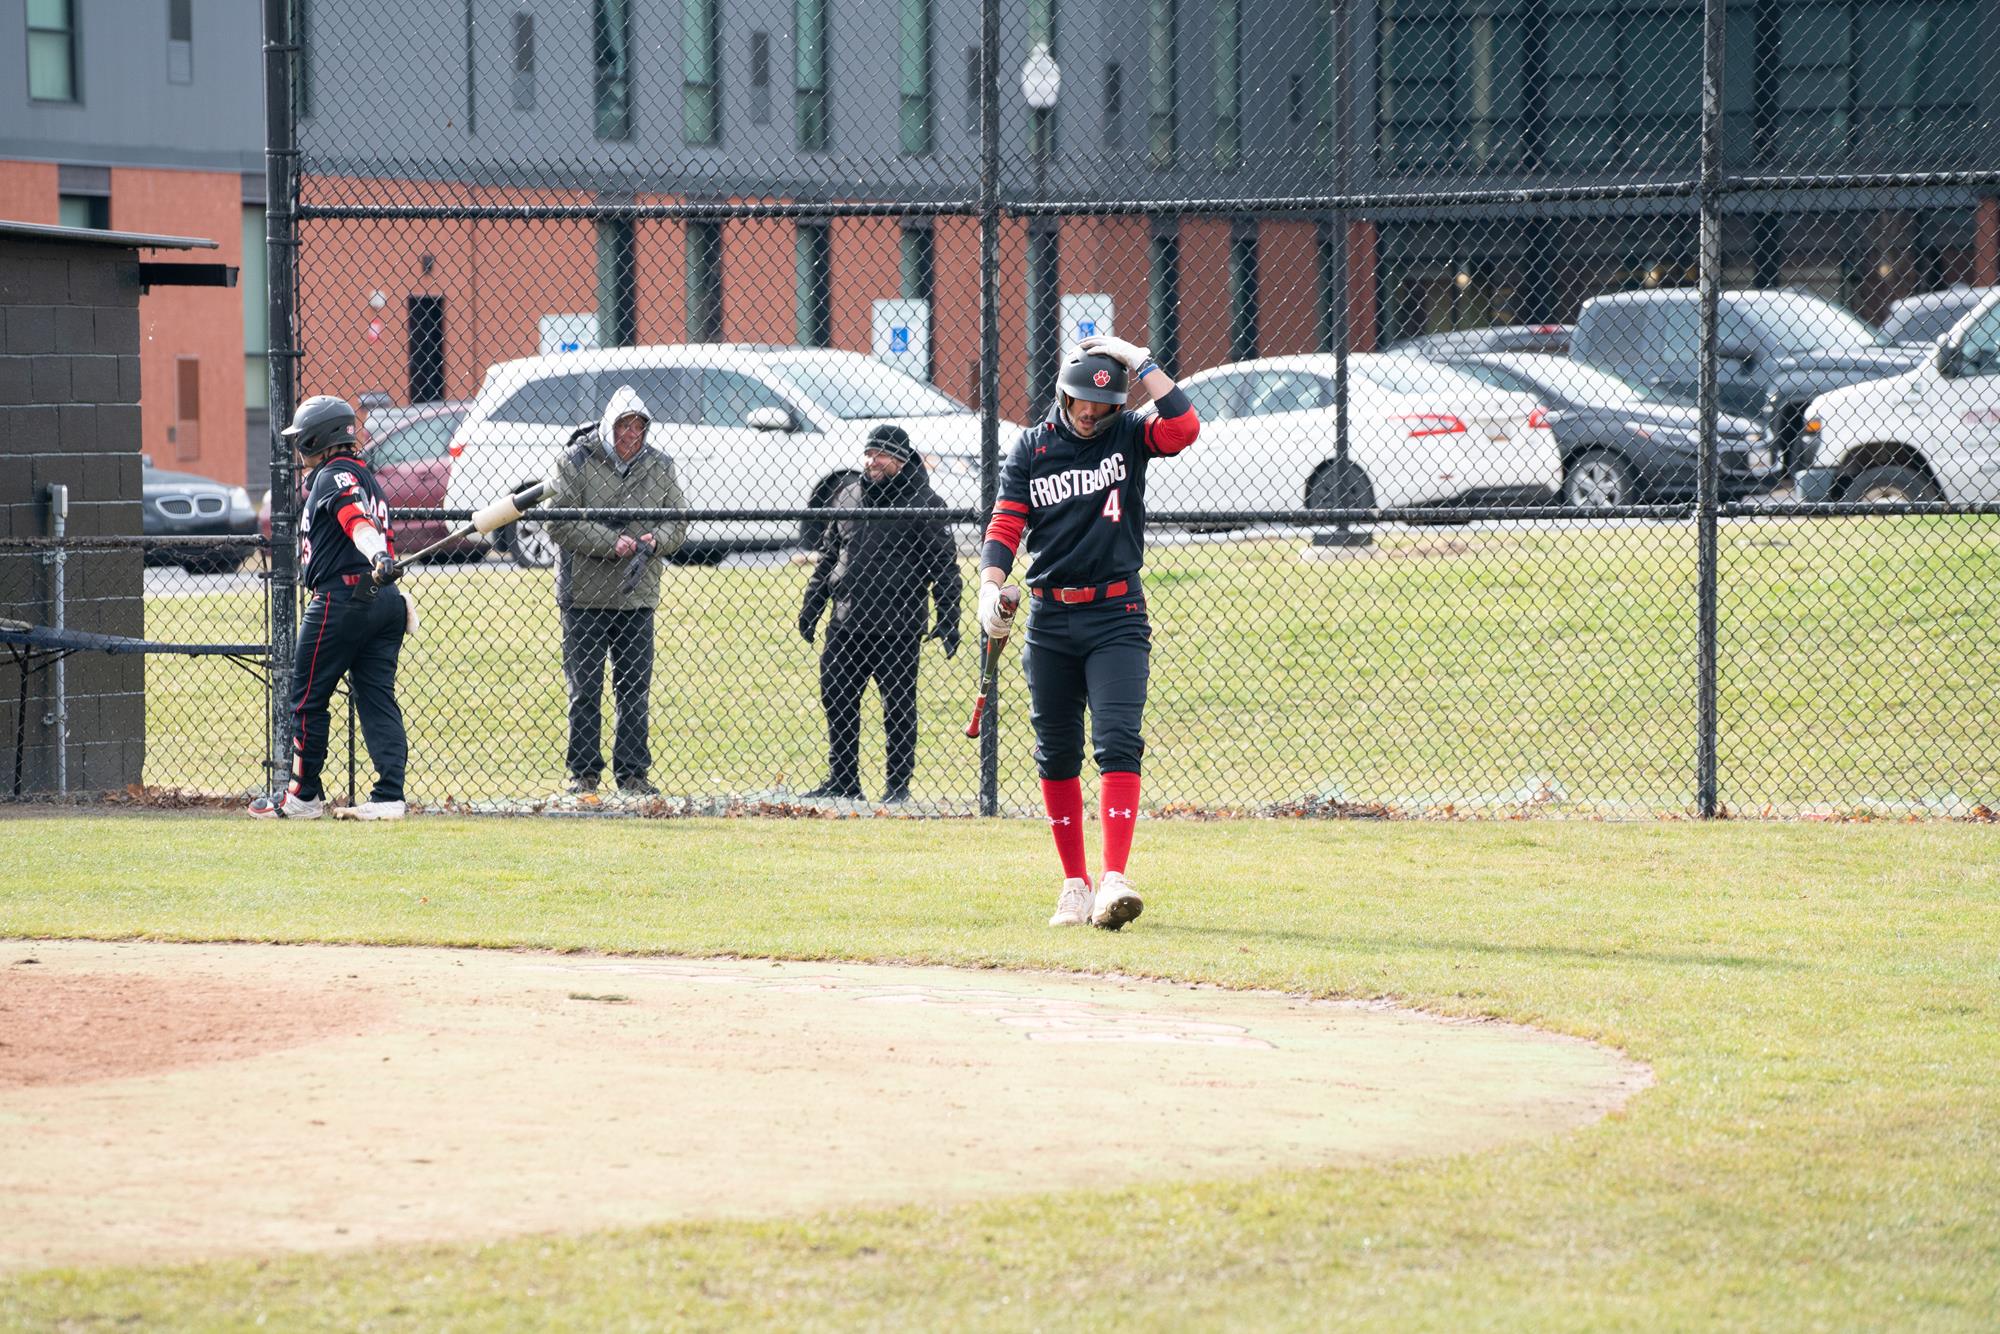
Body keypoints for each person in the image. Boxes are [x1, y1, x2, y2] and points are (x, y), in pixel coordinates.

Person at [978, 335, 1199, 928]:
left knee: (1118, 741)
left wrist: (1139, 359)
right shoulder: (1032, 447)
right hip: (1050, 619)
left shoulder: (1128, 435)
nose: (1092, 413)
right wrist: (989, 587)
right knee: (1057, 753)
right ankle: (1074, 886)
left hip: (1117, 614)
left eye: (1104, 405)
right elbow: (1005, 525)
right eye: (1083, 402)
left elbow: (1184, 428)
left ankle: (1114, 879)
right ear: (1063, 395)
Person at [249, 394, 411, 820]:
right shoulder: (368, 477)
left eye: (301, 438)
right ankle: (389, 796)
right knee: (377, 697)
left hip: (342, 600)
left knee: (307, 698)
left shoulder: (331, 476)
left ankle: (302, 796)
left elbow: (355, 521)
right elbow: (370, 528)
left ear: (316, 439)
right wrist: (383, 562)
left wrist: (377, 555)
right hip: (384, 601)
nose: (297, 446)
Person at [798, 424, 963, 803]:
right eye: (869, 454)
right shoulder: (848, 495)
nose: (872, 461)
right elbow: (829, 556)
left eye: (881, 455)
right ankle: (843, 781)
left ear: (900, 460)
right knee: (836, 697)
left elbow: (944, 568)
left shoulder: (924, 502)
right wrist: (812, 605)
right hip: (846, 623)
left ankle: (897, 787)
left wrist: (948, 618)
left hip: (897, 627)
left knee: (898, 707)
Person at [545, 385, 688, 797]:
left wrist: (656, 541)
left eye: (639, 426)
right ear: (609, 426)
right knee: (584, 690)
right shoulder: (575, 461)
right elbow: (558, 521)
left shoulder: (660, 466)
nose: (632, 434)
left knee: (634, 692)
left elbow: (678, 520)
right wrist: (612, 543)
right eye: (624, 426)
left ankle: (632, 774)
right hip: (584, 596)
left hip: (636, 596)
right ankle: (584, 773)